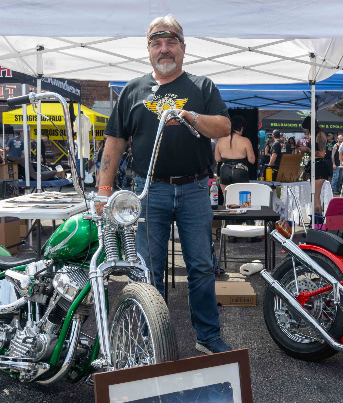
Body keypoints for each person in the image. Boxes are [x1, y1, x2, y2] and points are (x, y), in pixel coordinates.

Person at [97, 14, 232, 355]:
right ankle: (149, 338)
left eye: (171, 42)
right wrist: (103, 191)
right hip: (148, 189)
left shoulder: (202, 87)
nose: (164, 49)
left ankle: (207, 336)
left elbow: (224, 127)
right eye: (156, 43)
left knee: (201, 266)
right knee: (147, 268)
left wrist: (191, 117)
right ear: (148, 50)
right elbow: (114, 142)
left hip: (195, 188)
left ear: (183, 48)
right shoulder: (132, 90)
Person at [215, 115, 255, 186]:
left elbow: (217, 159)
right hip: (240, 170)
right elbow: (252, 160)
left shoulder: (220, 139)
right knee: (241, 193)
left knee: (226, 193)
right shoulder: (246, 141)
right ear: (241, 128)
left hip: (225, 170)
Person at [301, 116, 330, 181]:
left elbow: (322, 154)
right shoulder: (314, 136)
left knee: (315, 188)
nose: (307, 132)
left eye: (307, 130)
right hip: (312, 165)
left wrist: (307, 149)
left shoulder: (320, 135)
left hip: (318, 167)